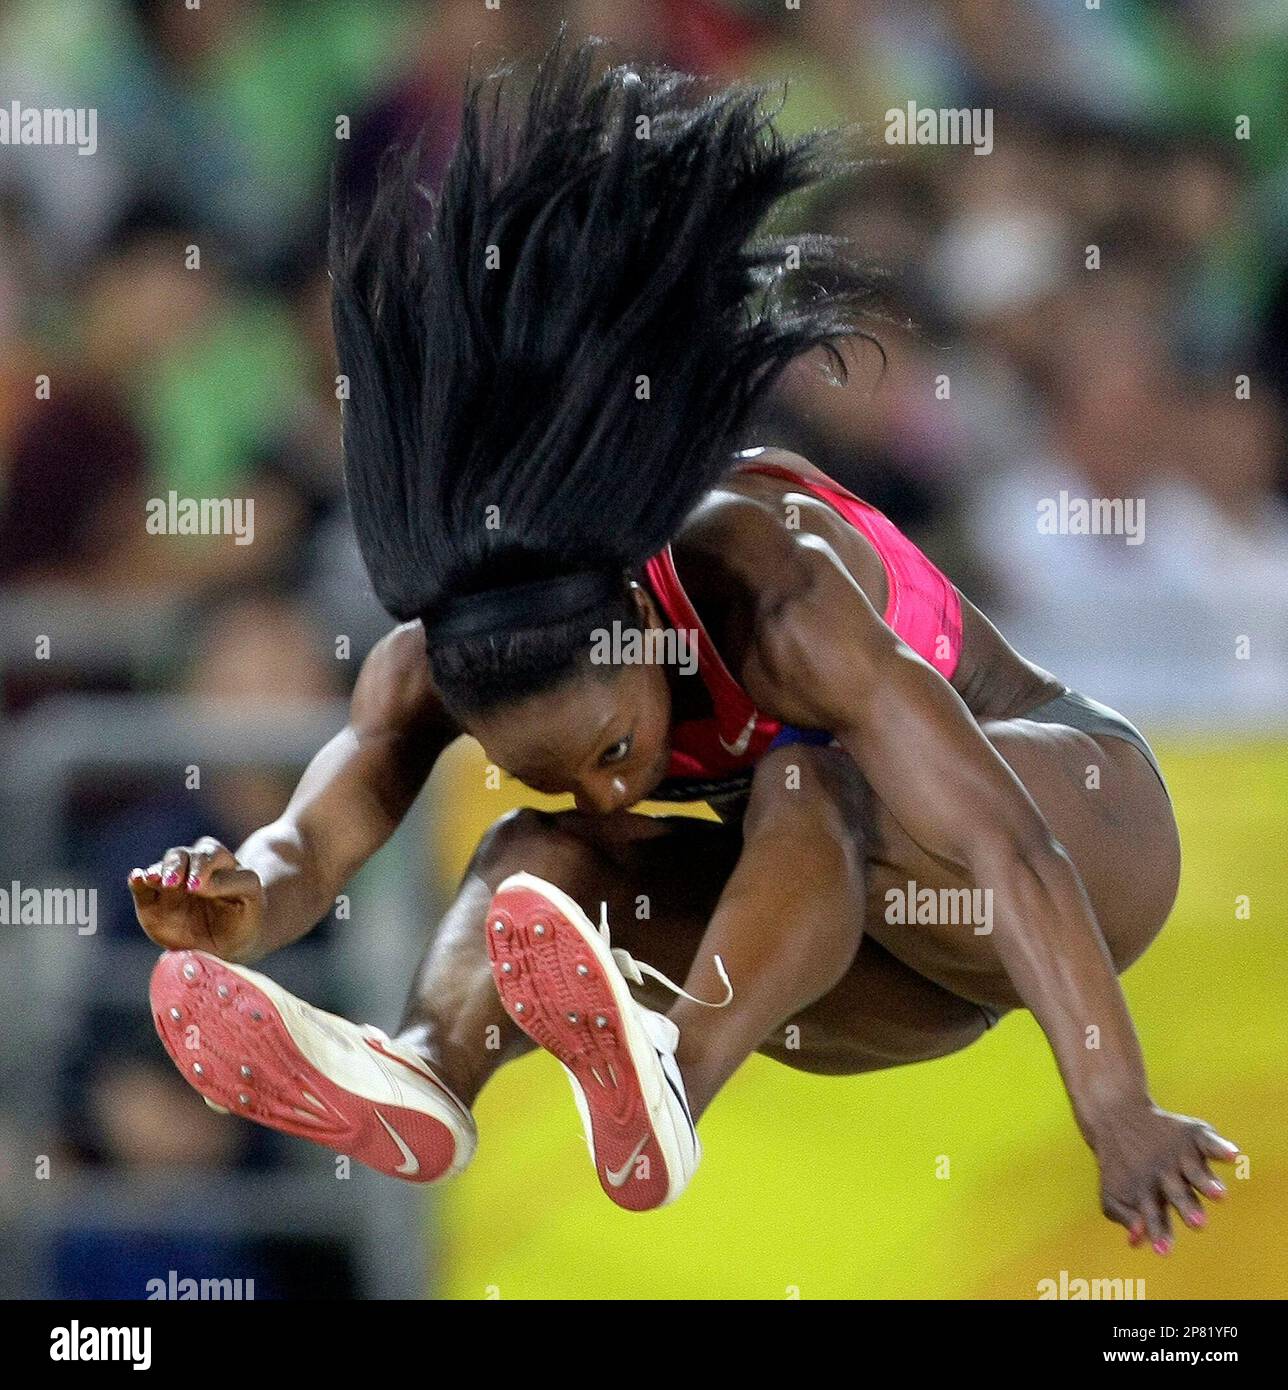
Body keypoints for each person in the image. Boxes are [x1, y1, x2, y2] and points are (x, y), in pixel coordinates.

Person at [132, 34, 1238, 1251]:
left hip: (1081, 842)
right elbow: (313, 836)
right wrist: (242, 904)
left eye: (612, 742)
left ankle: (671, 1067)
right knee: (532, 853)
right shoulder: (453, 645)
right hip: (874, 966)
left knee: (807, 774)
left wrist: (1116, 1106)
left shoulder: (769, 582)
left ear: (640, 621)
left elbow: (1007, 844)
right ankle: (425, 1067)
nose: (622, 788)